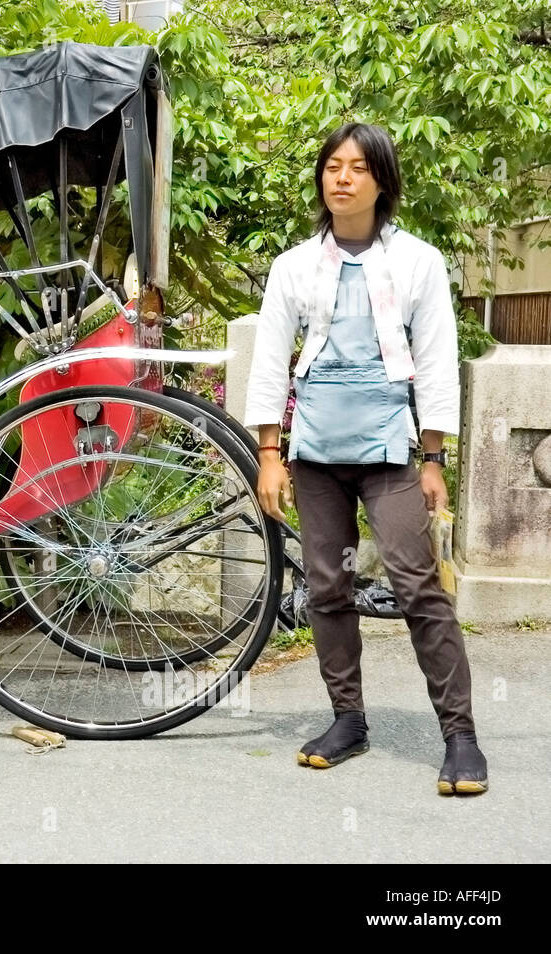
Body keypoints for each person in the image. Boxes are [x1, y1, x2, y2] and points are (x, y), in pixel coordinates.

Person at [244, 123, 487, 795]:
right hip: (315, 452)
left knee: (416, 584)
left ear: (382, 181)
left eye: (357, 167)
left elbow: (436, 360)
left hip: (387, 450)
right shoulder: (294, 265)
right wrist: (270, 452)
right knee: (327, 587)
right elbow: (270, 361)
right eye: (332, 166)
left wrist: (433, 458)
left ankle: (460, 735)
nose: (341, 177)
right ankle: (347, 718)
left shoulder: (418, 261)